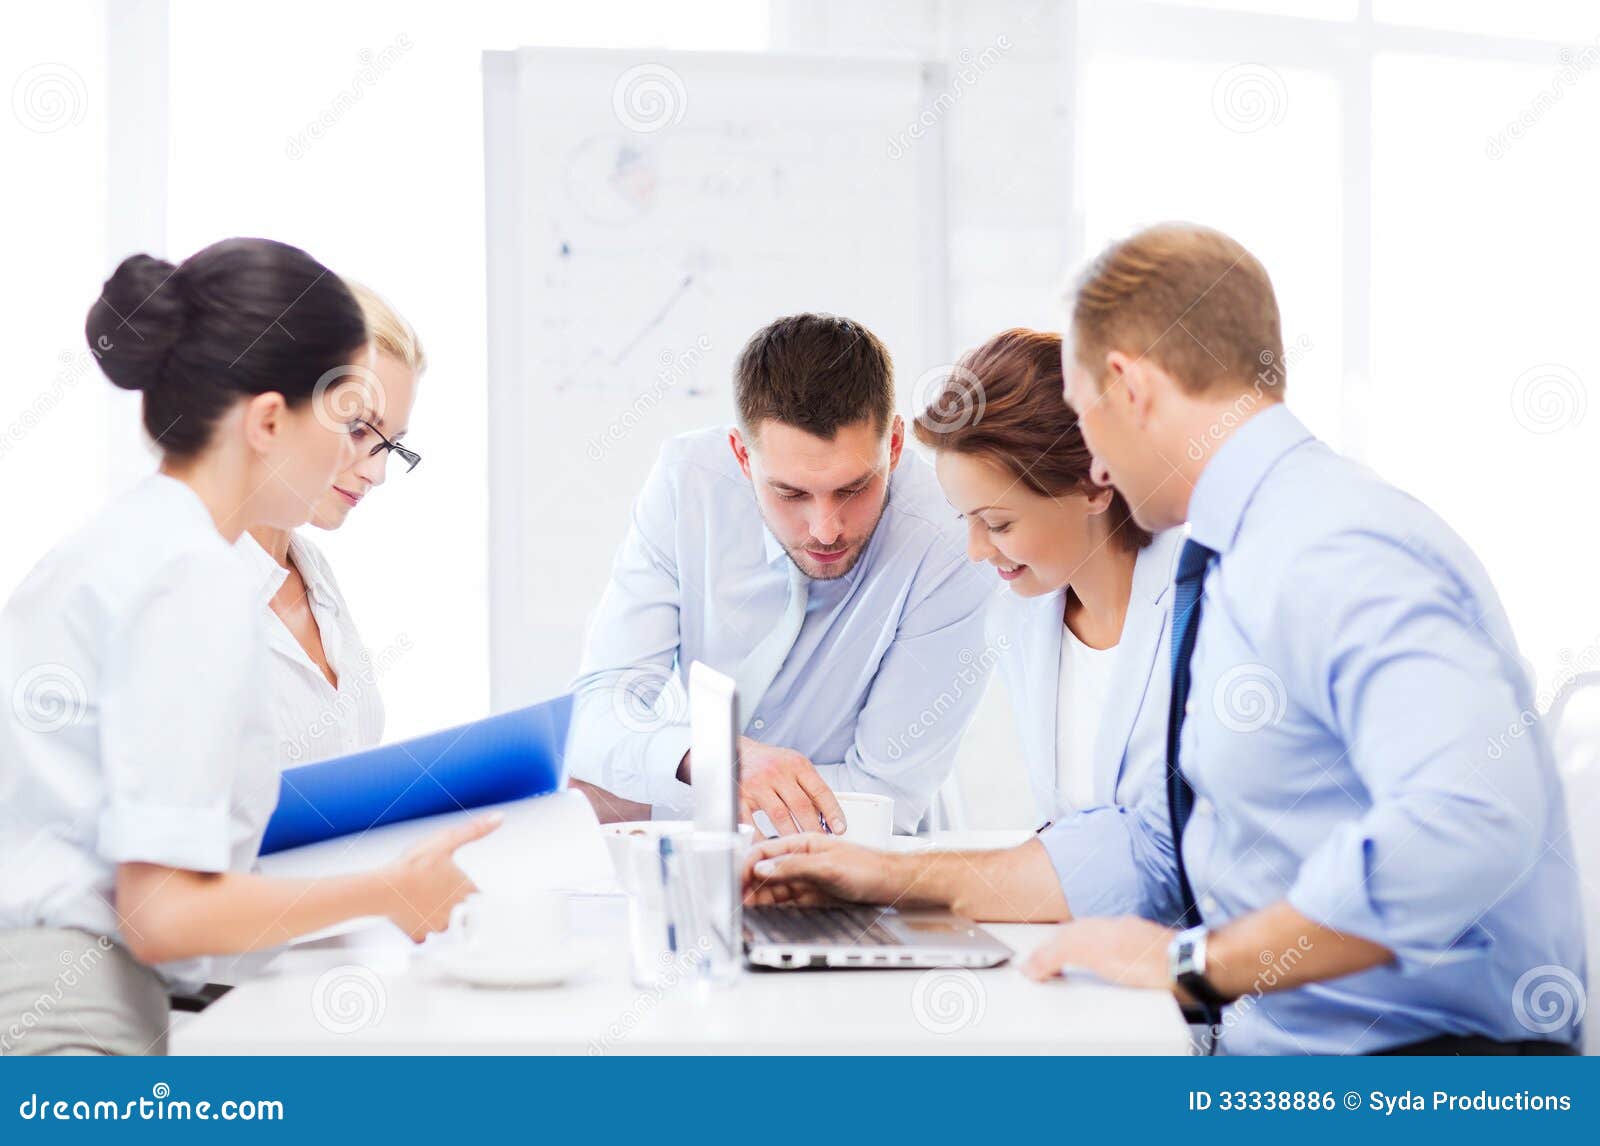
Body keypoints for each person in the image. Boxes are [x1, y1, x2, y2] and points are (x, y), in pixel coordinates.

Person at [745, 224, 1586, 1055]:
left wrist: (1196, 965)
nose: (1095, 466)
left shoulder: (1331, 546)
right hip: (1281, 1047)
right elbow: (1156, 842)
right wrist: (892, 878)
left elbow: (1465, 821)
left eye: (1081, 413)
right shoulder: (1238, 552)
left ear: (1127, 386)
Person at [0, 239, 495, 1056]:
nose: (360, 463)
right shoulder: (188, 576)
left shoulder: (138, 543)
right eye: (344, 424)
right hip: (68, 1020)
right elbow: (163, 916)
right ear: (269, 420)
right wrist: (388, 892)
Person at [567, 313, 993, 835]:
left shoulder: (950, 537)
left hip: (873, 867)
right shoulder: (687, 484)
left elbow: (882, 799)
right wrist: (708, 760)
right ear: (743, 457)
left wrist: (657, 793)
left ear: (895, 446)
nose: (825, 529)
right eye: (791, 494)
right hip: (711, 864)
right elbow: (601, 709)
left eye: (853, 489)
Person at [918, 329, 1182, 829]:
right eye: (966, 520)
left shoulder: (1206, 608)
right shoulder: (1020, 618)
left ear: (1093, 484)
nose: (977, 551)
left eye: (998, 524)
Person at [237, 282, 426, 766]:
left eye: (390, 445)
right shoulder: (182, 586)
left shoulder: (311, 568)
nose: (376, 472)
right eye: (358, 429)